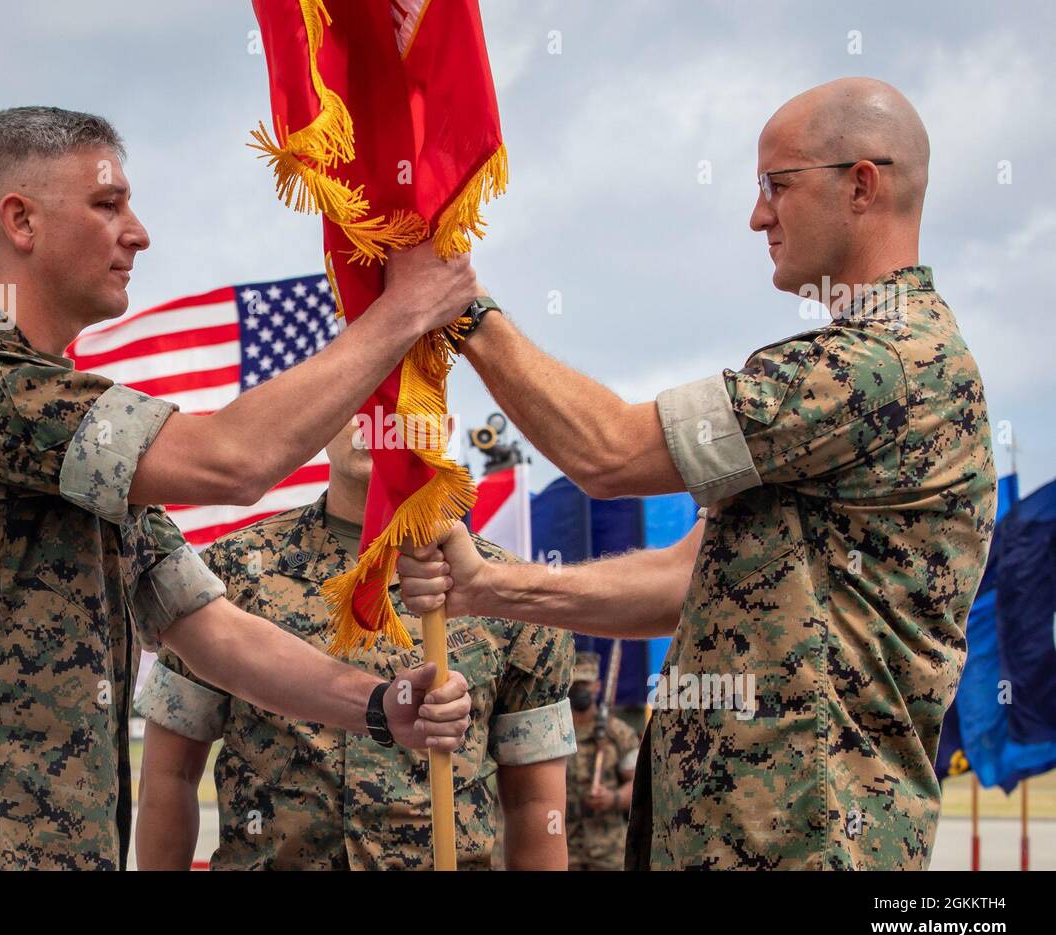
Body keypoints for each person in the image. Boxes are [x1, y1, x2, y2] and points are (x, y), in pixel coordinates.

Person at [0, 106, 480, 870]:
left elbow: (207, 628)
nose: (137, 232)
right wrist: (400, 313)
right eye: (108, 205)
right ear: (21, 221)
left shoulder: (61, 423)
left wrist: (377, 705)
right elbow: (232, 462)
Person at [397, 78, 997, 869]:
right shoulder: (858, 375)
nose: (758, 215)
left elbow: (608, 452)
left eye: (776, 185)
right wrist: (489, 590)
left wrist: (457, 306)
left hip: (808, 845)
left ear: (862, 184)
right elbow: (687, 584)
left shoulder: (879, 367)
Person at [134, 418, 576, 870]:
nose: (378, 420)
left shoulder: (508, 597)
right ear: (325, 420)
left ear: (441, 429)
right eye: (359, 401)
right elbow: (169, 776)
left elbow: (536, 806)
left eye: (399, 400)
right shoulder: (231, 575)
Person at [564, 652, 638, 871]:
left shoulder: (617, 733)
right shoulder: (554, 733)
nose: (580, 690)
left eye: (585, 684)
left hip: (608, 854)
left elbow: (639, 784)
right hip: (565, 852)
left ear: (597, 686)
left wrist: (613, 798)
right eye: (575, 684)